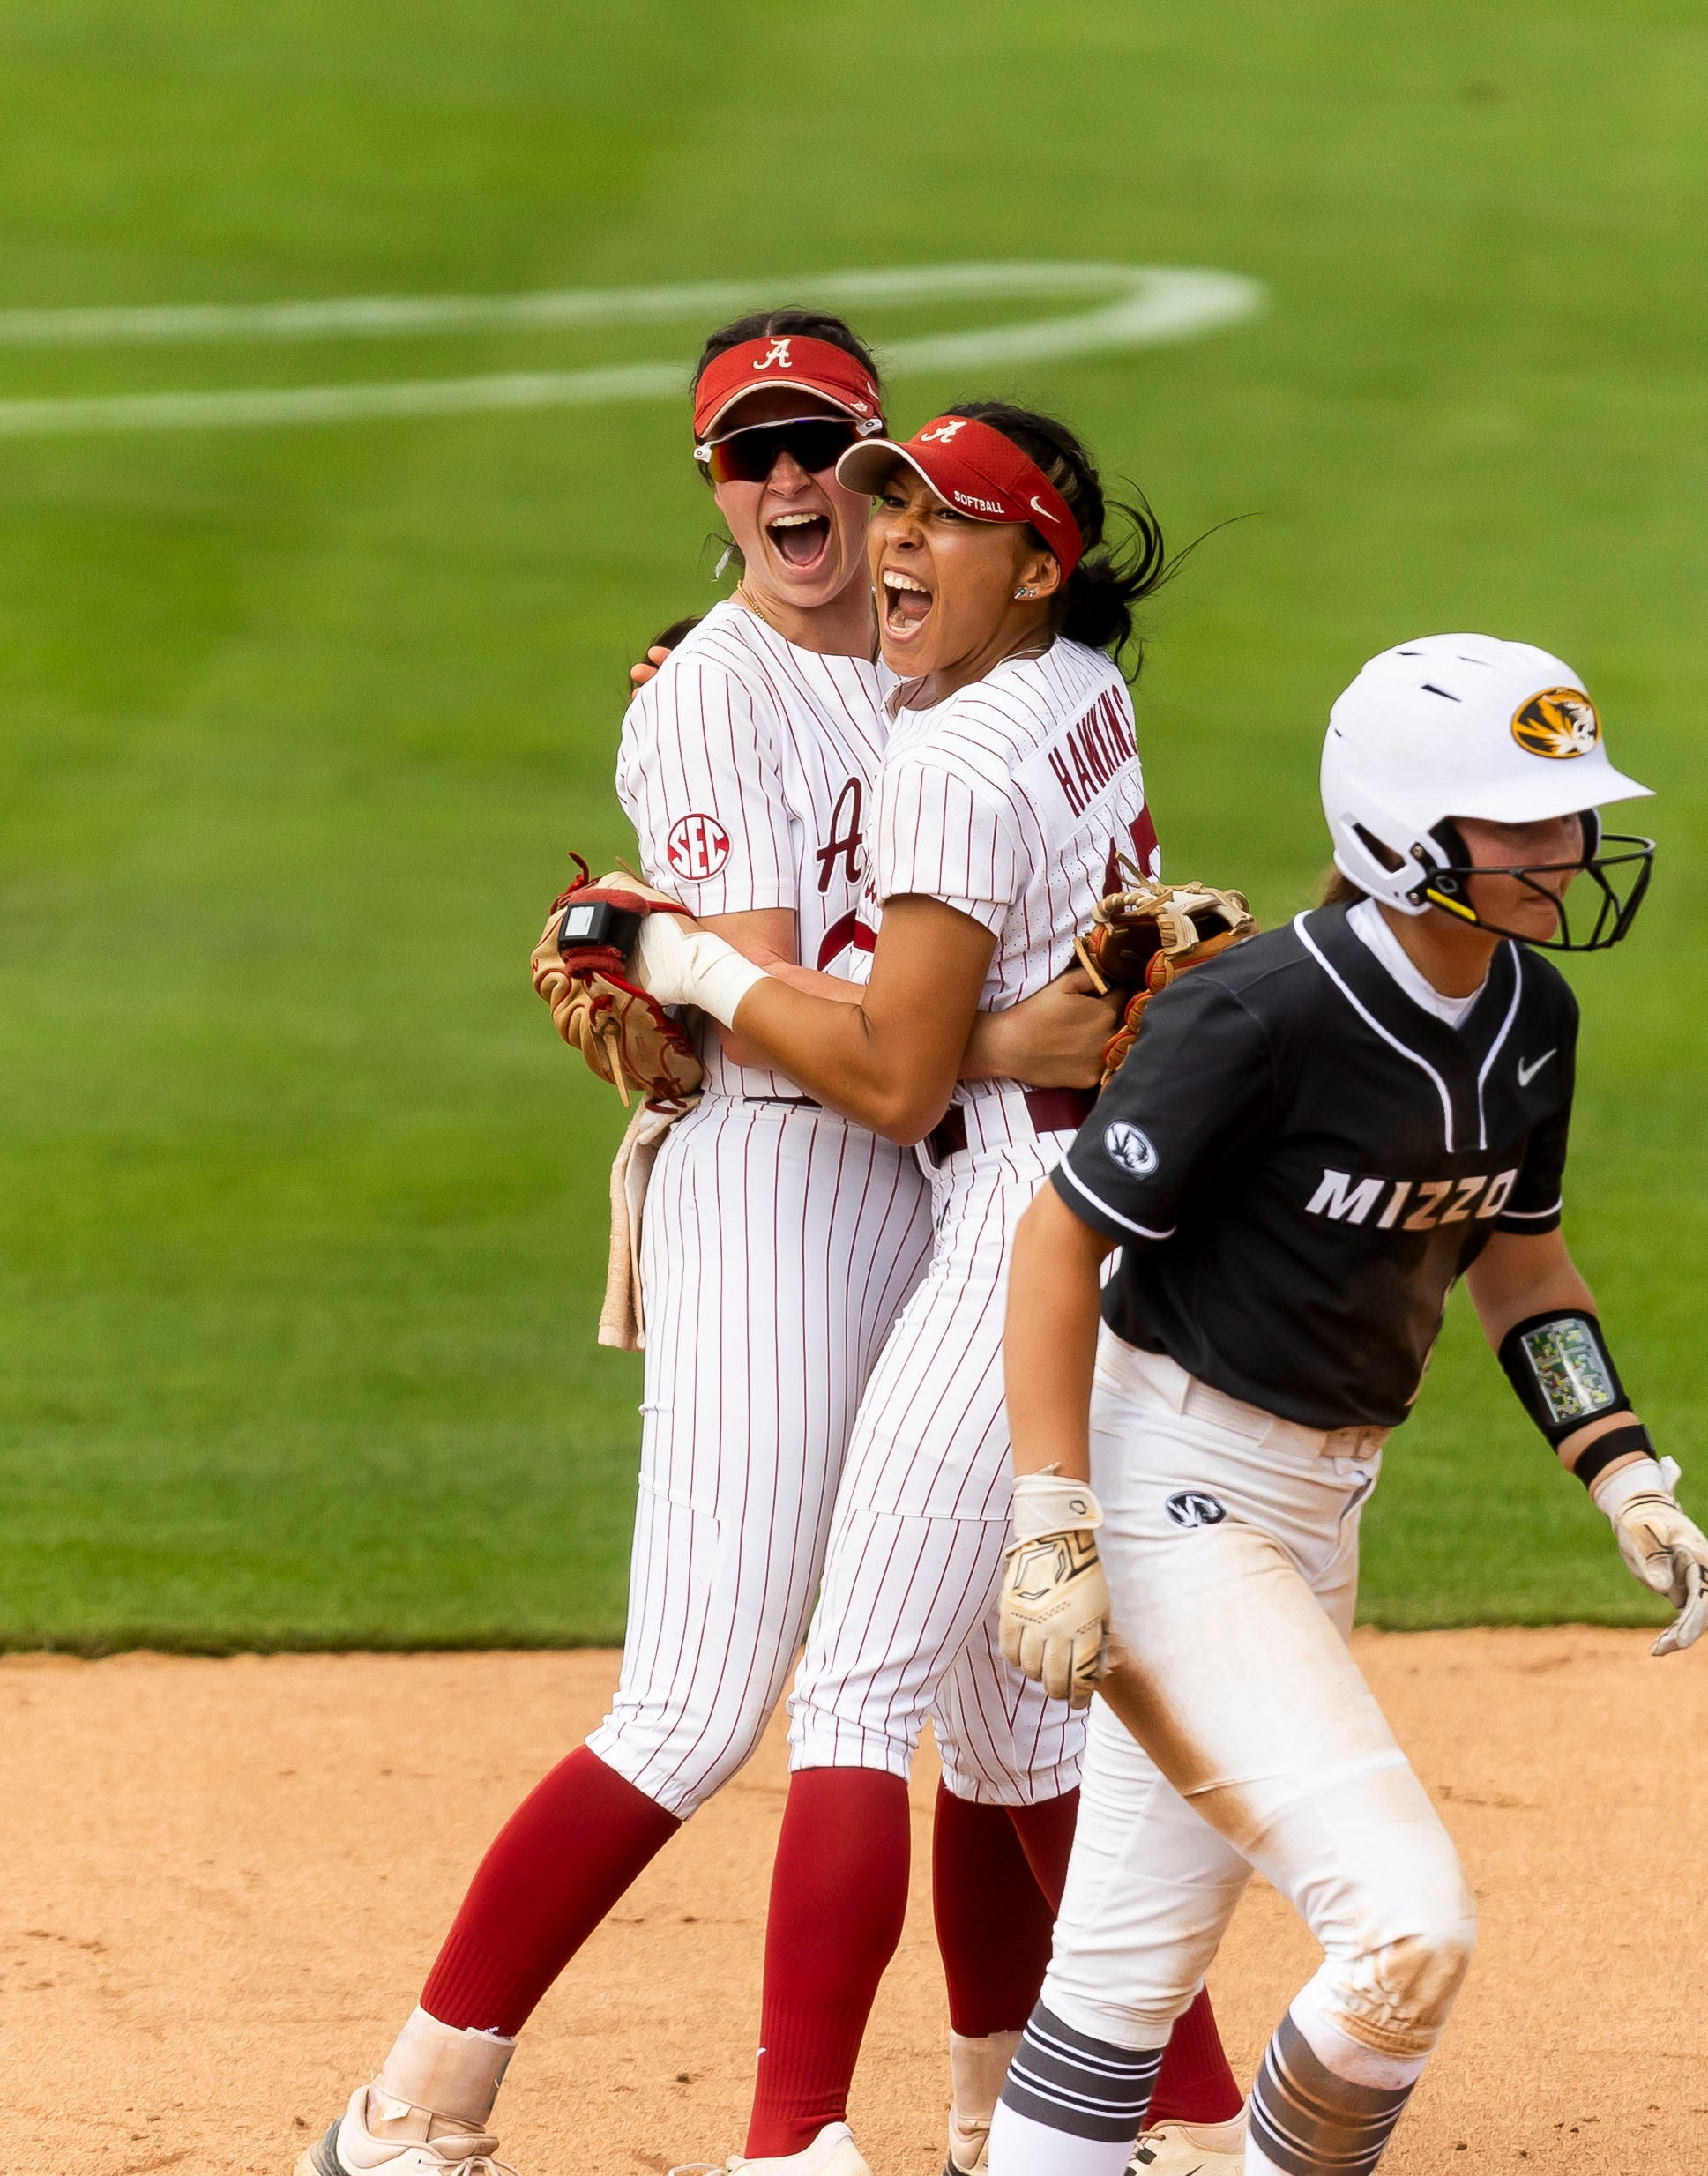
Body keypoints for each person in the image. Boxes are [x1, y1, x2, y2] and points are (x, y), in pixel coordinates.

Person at [294, 312, 1121, 2176]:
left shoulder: (935, 653)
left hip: (933, 1178)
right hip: (777, 1178)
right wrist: (1008, 1041)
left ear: (884, 463)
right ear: (711, 488)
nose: (786, 485)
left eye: (819, 445)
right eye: (747, 456)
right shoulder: (711, 692)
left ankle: (1012, 2113)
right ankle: (413, 2111)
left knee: (998, 1683)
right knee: (697, 1694)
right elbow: (775, 1007)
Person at [982, 636, 1708, 2176]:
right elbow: (1058, 1242)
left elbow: (1522, 1263)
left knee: (1118, 1985)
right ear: (1401, 833)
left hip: (1315, 1512)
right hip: (1170, 1483)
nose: (1564, 852)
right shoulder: (1256, 1017)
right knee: (1408, 1934)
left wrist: (1624, 1469)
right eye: (1519, 823)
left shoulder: (1530, 1017)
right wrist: (1053, 1518)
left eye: (1570, 816)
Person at [626, 404, 1246, 2176]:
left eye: (941, 520)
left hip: (1013, 1225)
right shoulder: (1082, 697)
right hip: (1120, 1198)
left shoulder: (953, 757)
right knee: (1011, 1714)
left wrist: (684, 957)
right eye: (884, 500)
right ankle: (1167, 2119)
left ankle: (793, 2143)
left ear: (1036, 566)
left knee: (855, 1698)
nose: (891, 540)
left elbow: (896, 1081)